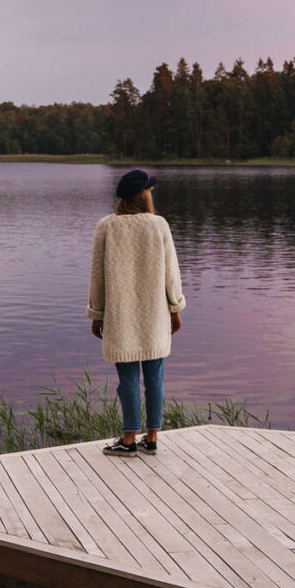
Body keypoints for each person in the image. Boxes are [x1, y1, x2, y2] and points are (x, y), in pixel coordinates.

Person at [87, 168, 184, 455]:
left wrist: (97, 313)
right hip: (155, 314)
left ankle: (128, 440)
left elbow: (97, 276)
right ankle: (152, 438)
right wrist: (175, 308)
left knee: (127, 379)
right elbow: (171, 274)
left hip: (120, 315)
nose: (152, 194)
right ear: (143, 195)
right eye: (150, 190)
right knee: (155, 378)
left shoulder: (106, 226)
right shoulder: (159, 225)